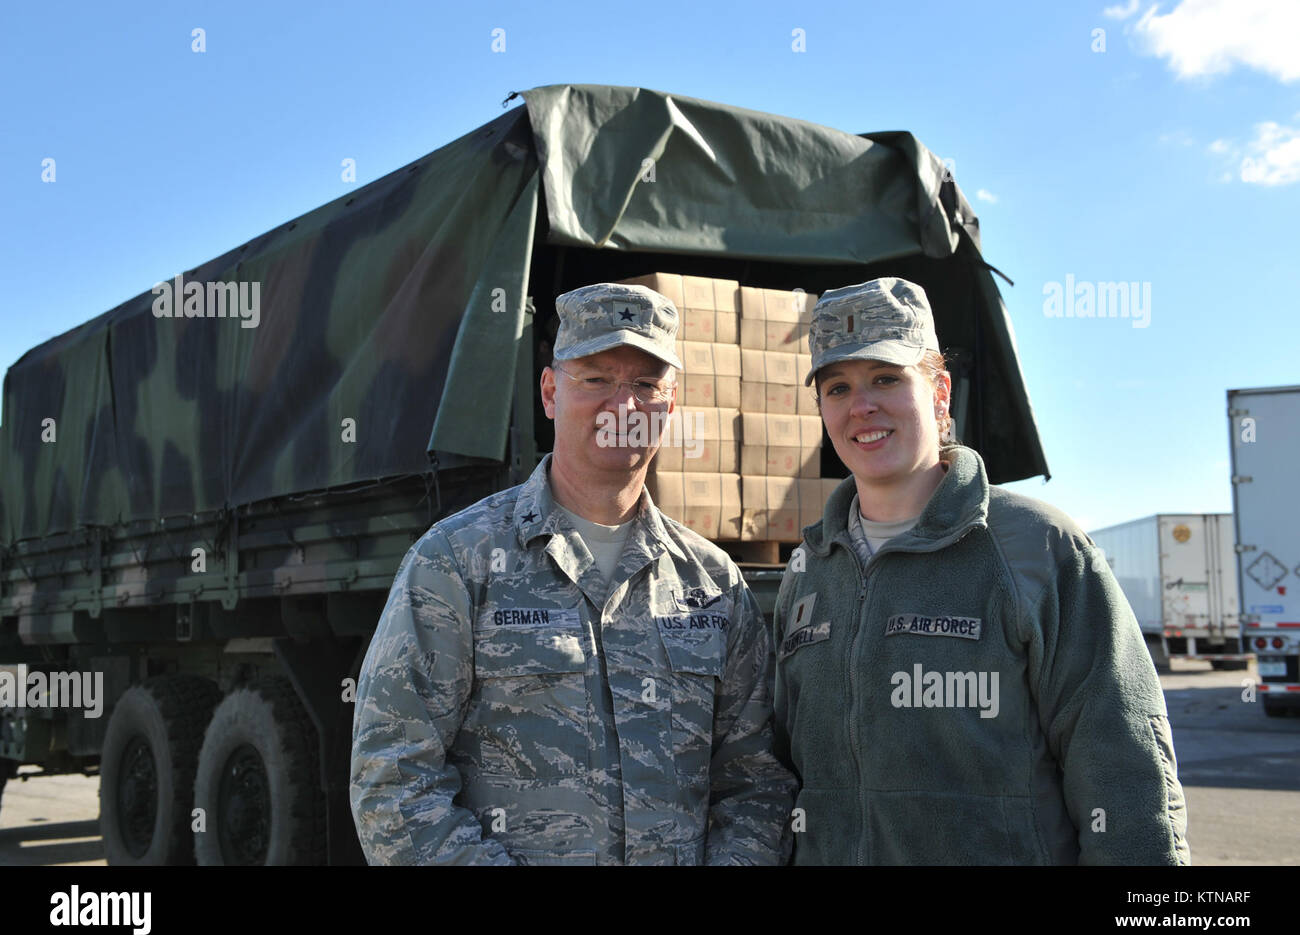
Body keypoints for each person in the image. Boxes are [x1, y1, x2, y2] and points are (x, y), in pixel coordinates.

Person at [351, 282, 796, 865]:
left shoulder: (713, 587)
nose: (624, 405)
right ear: (550, 392)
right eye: (596, 379)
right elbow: (393, 780)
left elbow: (755, 785)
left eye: (645, 385)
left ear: (671, 402)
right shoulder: (457, 563)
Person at [773, 276, 1190, 865]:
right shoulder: (809, 571)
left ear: (940, 392)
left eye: (887, 379)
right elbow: (784, 771)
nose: (861, 406)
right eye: (837, 388)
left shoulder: (1037, 550)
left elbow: (1123, 764)